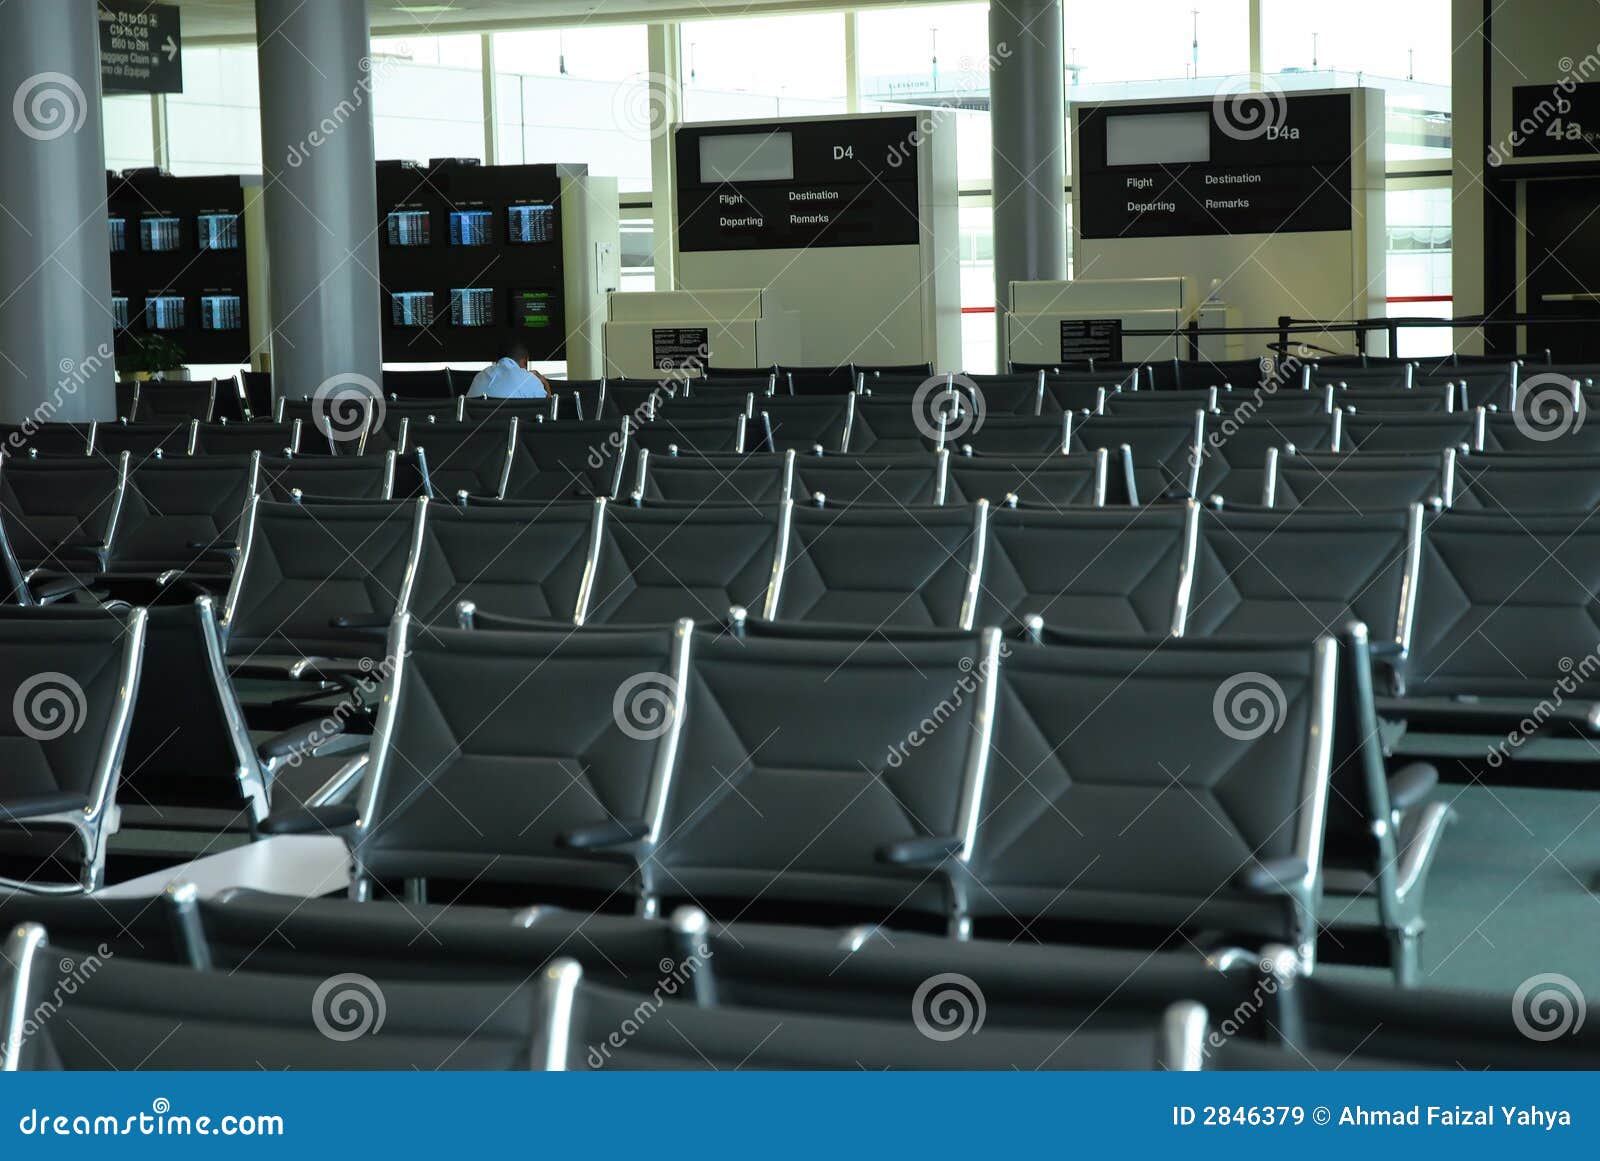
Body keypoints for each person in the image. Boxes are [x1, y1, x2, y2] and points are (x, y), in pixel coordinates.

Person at [467, 342, 549, 398]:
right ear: (525, 360)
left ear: (497, 359)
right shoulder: (530, 379)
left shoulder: (479, 377)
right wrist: (546, 385)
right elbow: (545, 409)